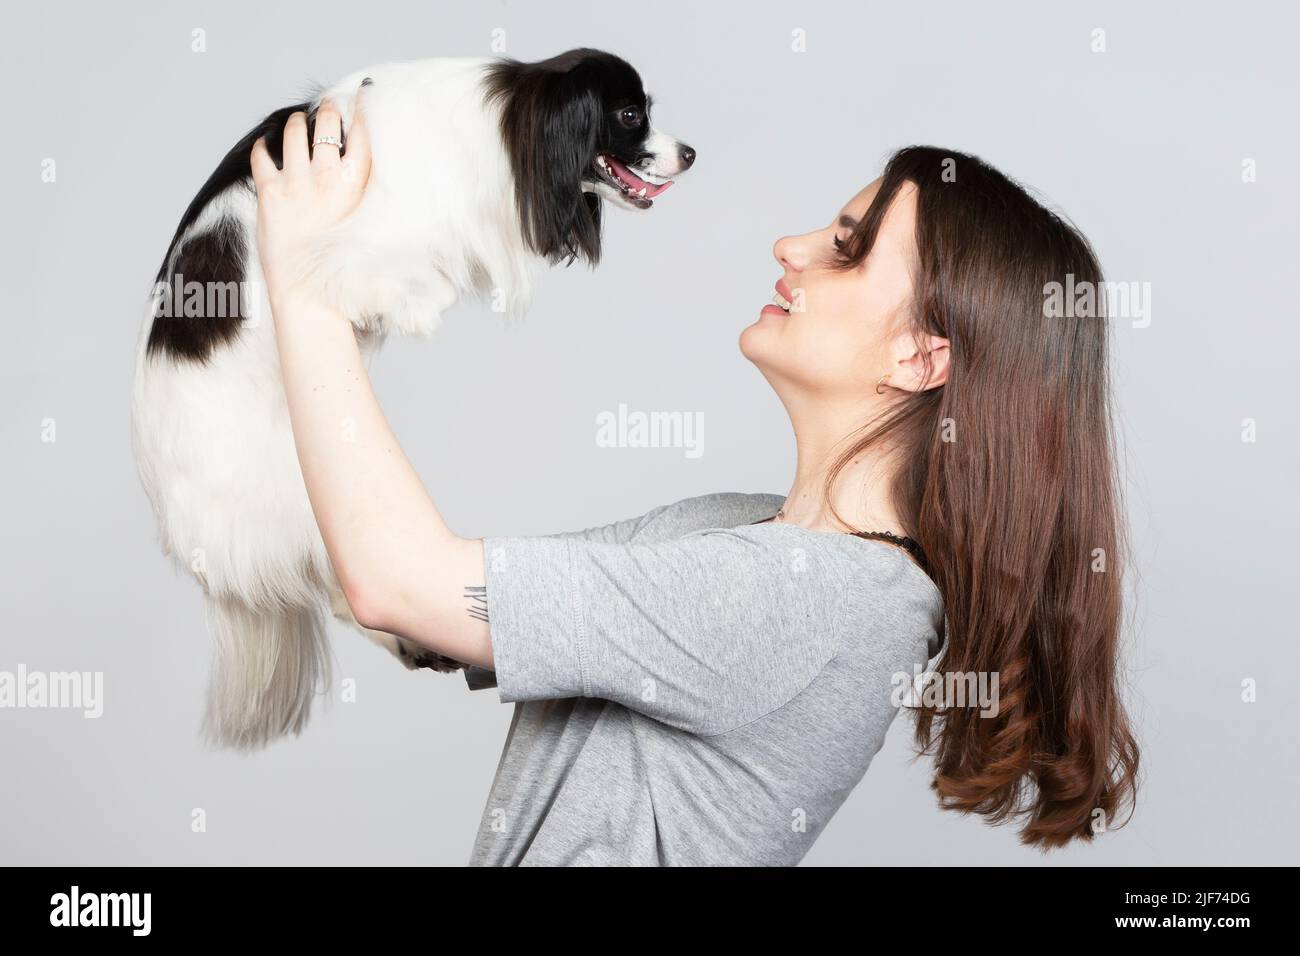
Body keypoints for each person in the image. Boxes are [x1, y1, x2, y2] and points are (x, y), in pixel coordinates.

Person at [249, 100, 1139, 865]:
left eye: (847, 247)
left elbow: (403, 584)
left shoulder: (812, 600)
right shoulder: (737, 535)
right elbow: (437, 618)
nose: (790, 248)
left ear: (921, 356)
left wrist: (311, 283)